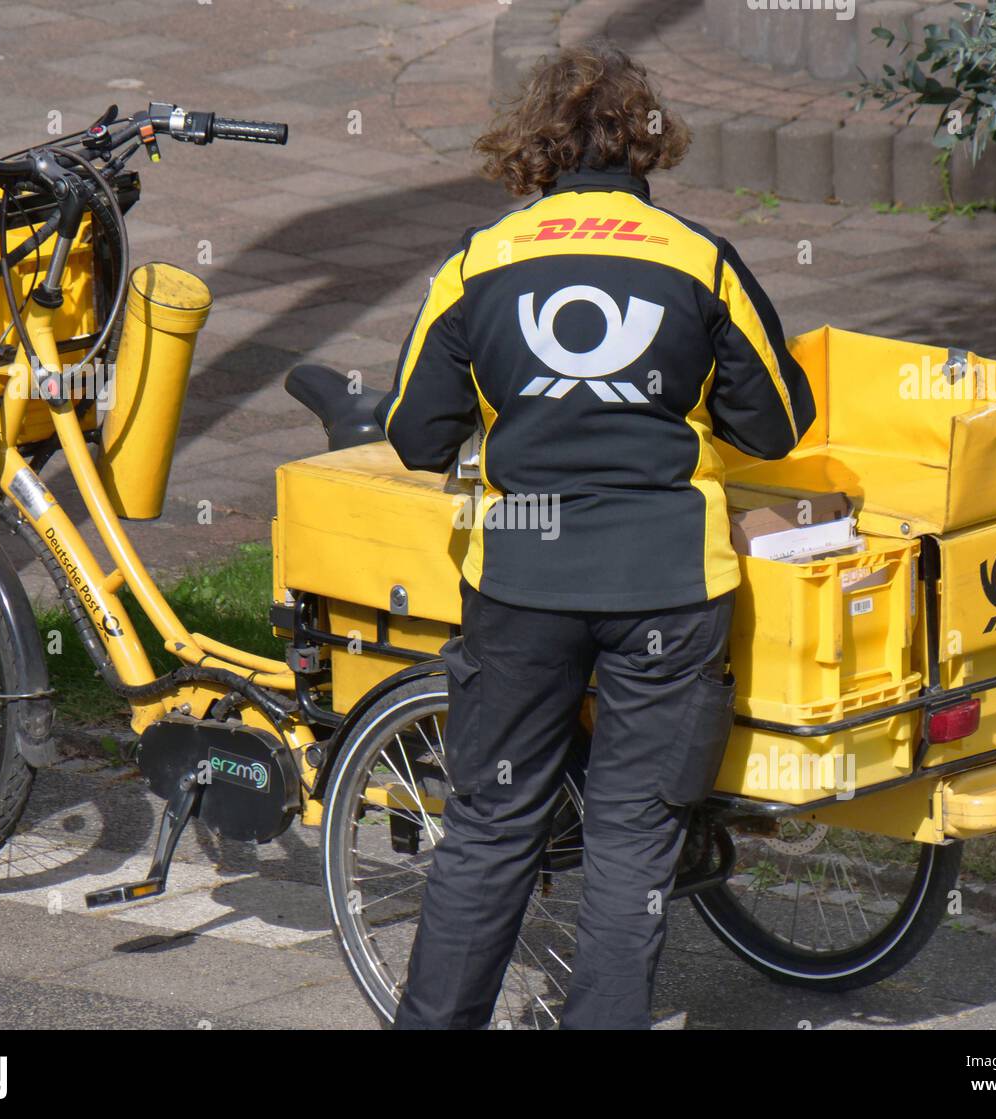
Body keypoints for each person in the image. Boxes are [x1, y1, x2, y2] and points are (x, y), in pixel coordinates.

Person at [375, 42, 815, 1030]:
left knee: (489, 829)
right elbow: (780, 424)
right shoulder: (697, 260)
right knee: (631, 845)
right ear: (647, 146)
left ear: (534, 142)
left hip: (521, 582)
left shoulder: (480, 262)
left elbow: (413, 435)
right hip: (667, 582)